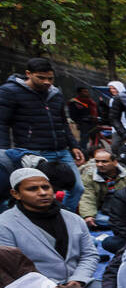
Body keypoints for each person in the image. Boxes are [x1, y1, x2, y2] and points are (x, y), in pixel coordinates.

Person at [0, 59, 86, 207]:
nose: (47, 82)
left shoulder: (56, 93)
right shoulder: (9, 92)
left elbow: (63, 122)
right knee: (31, 194)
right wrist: (4, 153)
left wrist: (74, 145)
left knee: (77, 188)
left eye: (50, 78)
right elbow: (2, 123)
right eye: (41, 77)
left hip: (61, 151)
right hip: (33, 153)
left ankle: (64, 219)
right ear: (28, 74)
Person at [0, 168, 98, 288]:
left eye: (46, 187)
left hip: (80, 283)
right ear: (16, 194)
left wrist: (77, 280)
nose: (42, 193)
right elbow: (12, 268)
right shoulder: (4, 224)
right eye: (32, 189)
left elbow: (89, 254)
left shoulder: (73, 219)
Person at [78, 148, 126, 230]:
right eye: (97, 161)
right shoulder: (89, 176)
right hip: (102, 211)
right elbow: (87, 196)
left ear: (115, 162)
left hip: (123, 210)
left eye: (104, 161)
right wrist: (88, 215)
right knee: (95, 220)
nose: (99, 164)